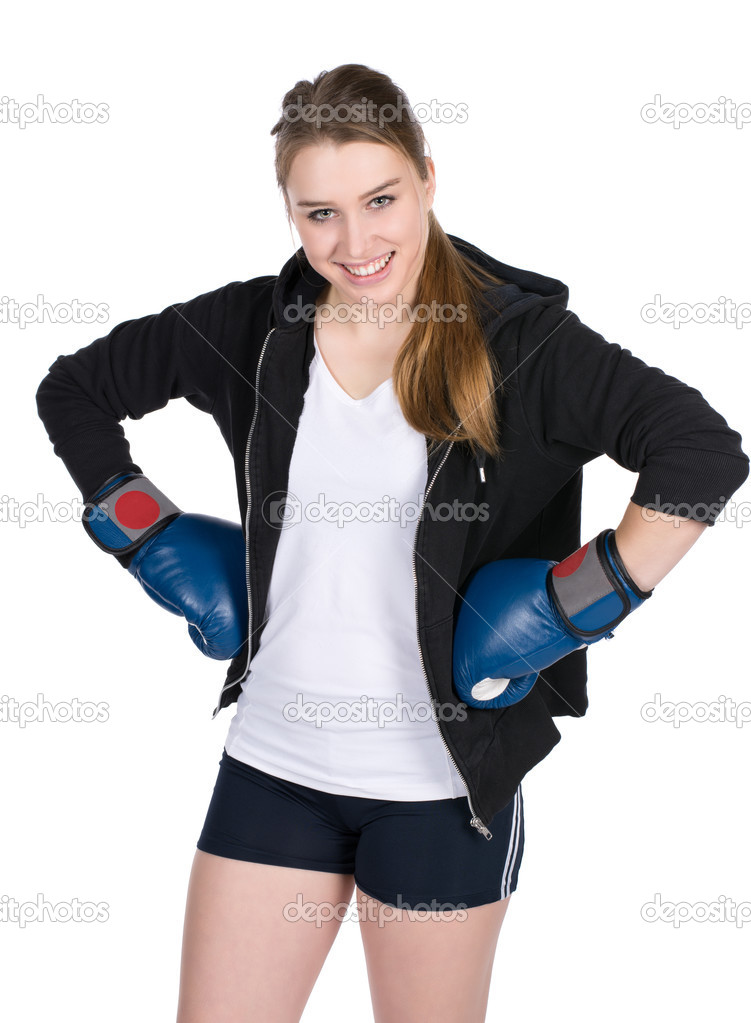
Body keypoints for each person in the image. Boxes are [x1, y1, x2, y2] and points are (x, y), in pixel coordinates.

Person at [35, 63, 749, 1023]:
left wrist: (574, 604)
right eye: (319, 213)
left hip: (438, 792)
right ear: (289, 212)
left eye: (380, 200)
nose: (355, 241)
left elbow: (702, 452)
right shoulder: (253, 326)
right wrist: (146, 535)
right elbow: (74, 391)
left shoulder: (518, 342)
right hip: (271, 767)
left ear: (426, 178)